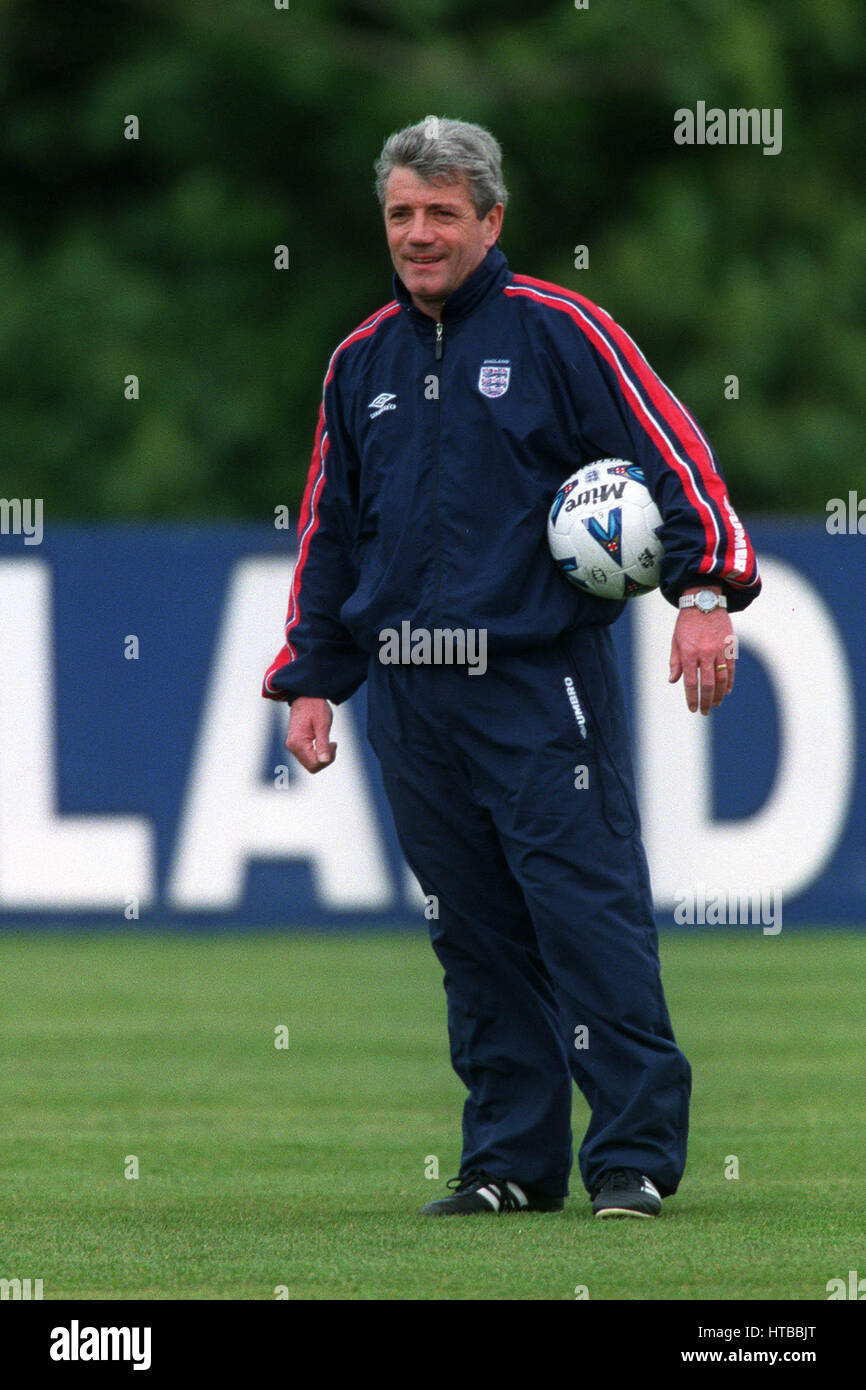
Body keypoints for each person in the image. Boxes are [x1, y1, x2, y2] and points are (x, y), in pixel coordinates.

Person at [263, 117, 760, 1219]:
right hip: (407, 692)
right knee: (471, 932)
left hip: (538, 682)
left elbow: (673, 450)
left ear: (491, 219)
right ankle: (508, 1163)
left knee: (583, 912)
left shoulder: (560, 330)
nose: (419, 233)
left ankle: (629, 1156)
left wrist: (703, 591)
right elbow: (329, 530)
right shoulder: (360, 363)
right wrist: (310, 675)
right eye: (401, 213)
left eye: (442, 212)